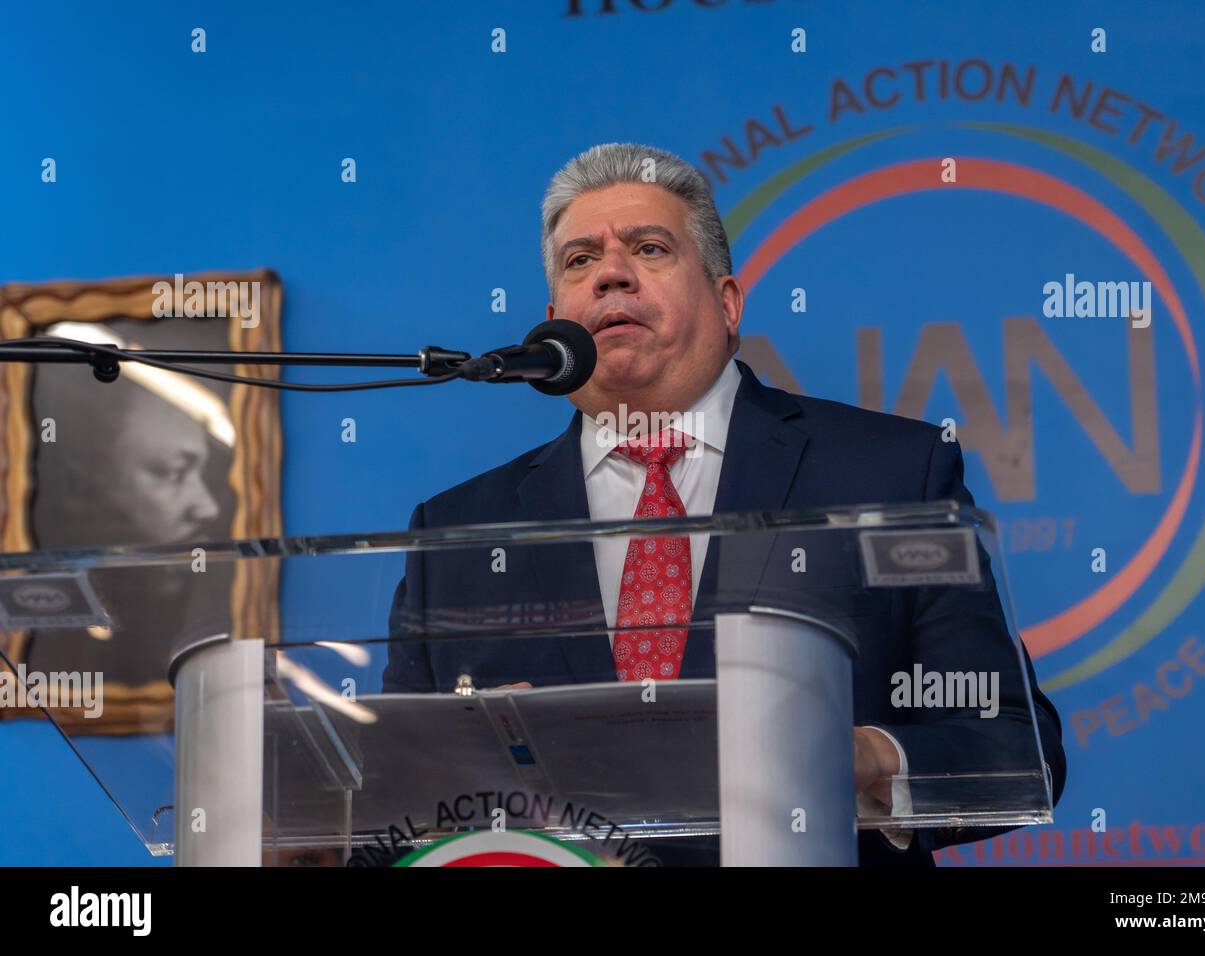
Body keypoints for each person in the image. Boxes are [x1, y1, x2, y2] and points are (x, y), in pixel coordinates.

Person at [384, 142, 1066, 866]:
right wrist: (465, 761)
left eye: (649, 248)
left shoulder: (889, 475)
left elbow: (1015, 746)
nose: (611, 274)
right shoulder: (458, 533)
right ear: (554, 321)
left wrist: (865, 753)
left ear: (727, 301)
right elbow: (393, 793)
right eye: (581, 261)